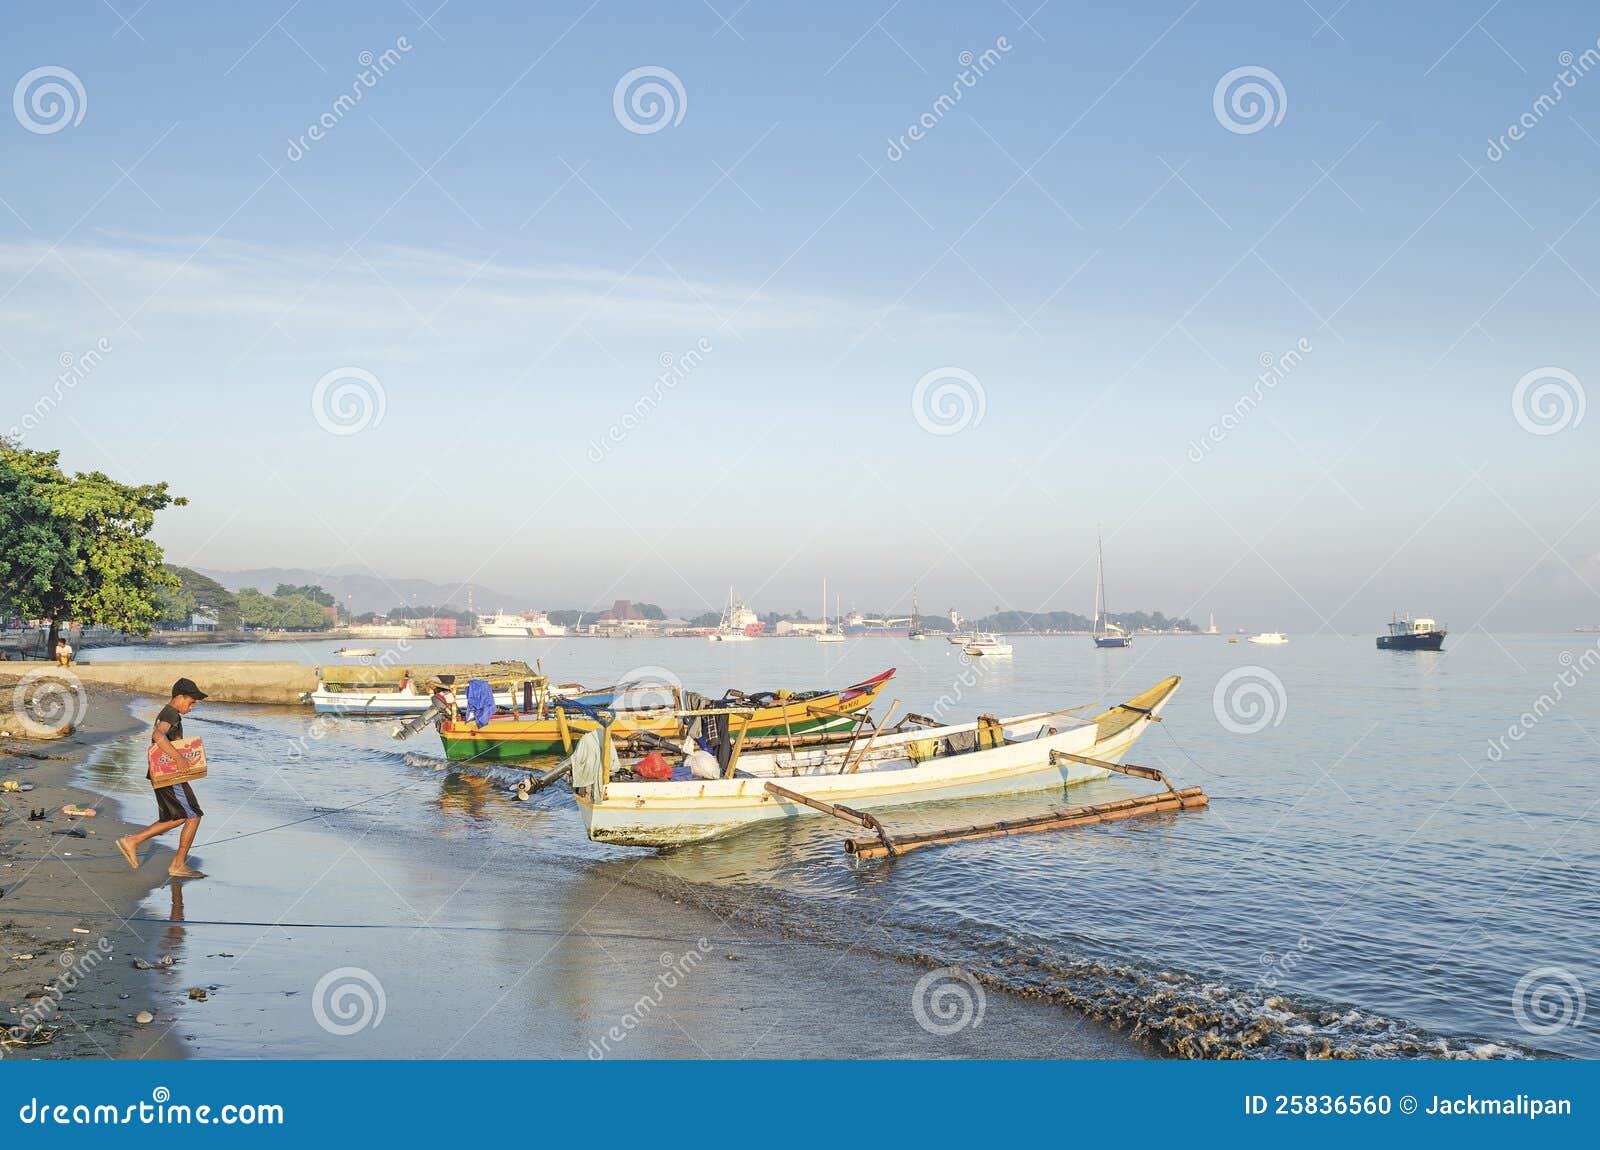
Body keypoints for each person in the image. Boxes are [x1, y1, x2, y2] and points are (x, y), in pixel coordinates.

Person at [117, 677, 208, 880]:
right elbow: (158, 736)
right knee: (192, 815)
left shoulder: (170, 713)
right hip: (168, 775)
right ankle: (174, 863)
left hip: (165, 773)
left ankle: (135, 842)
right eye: (190, 702)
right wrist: (180, 759)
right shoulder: (171, 713)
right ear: (179, 697)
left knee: (178, 817)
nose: (191, 707)